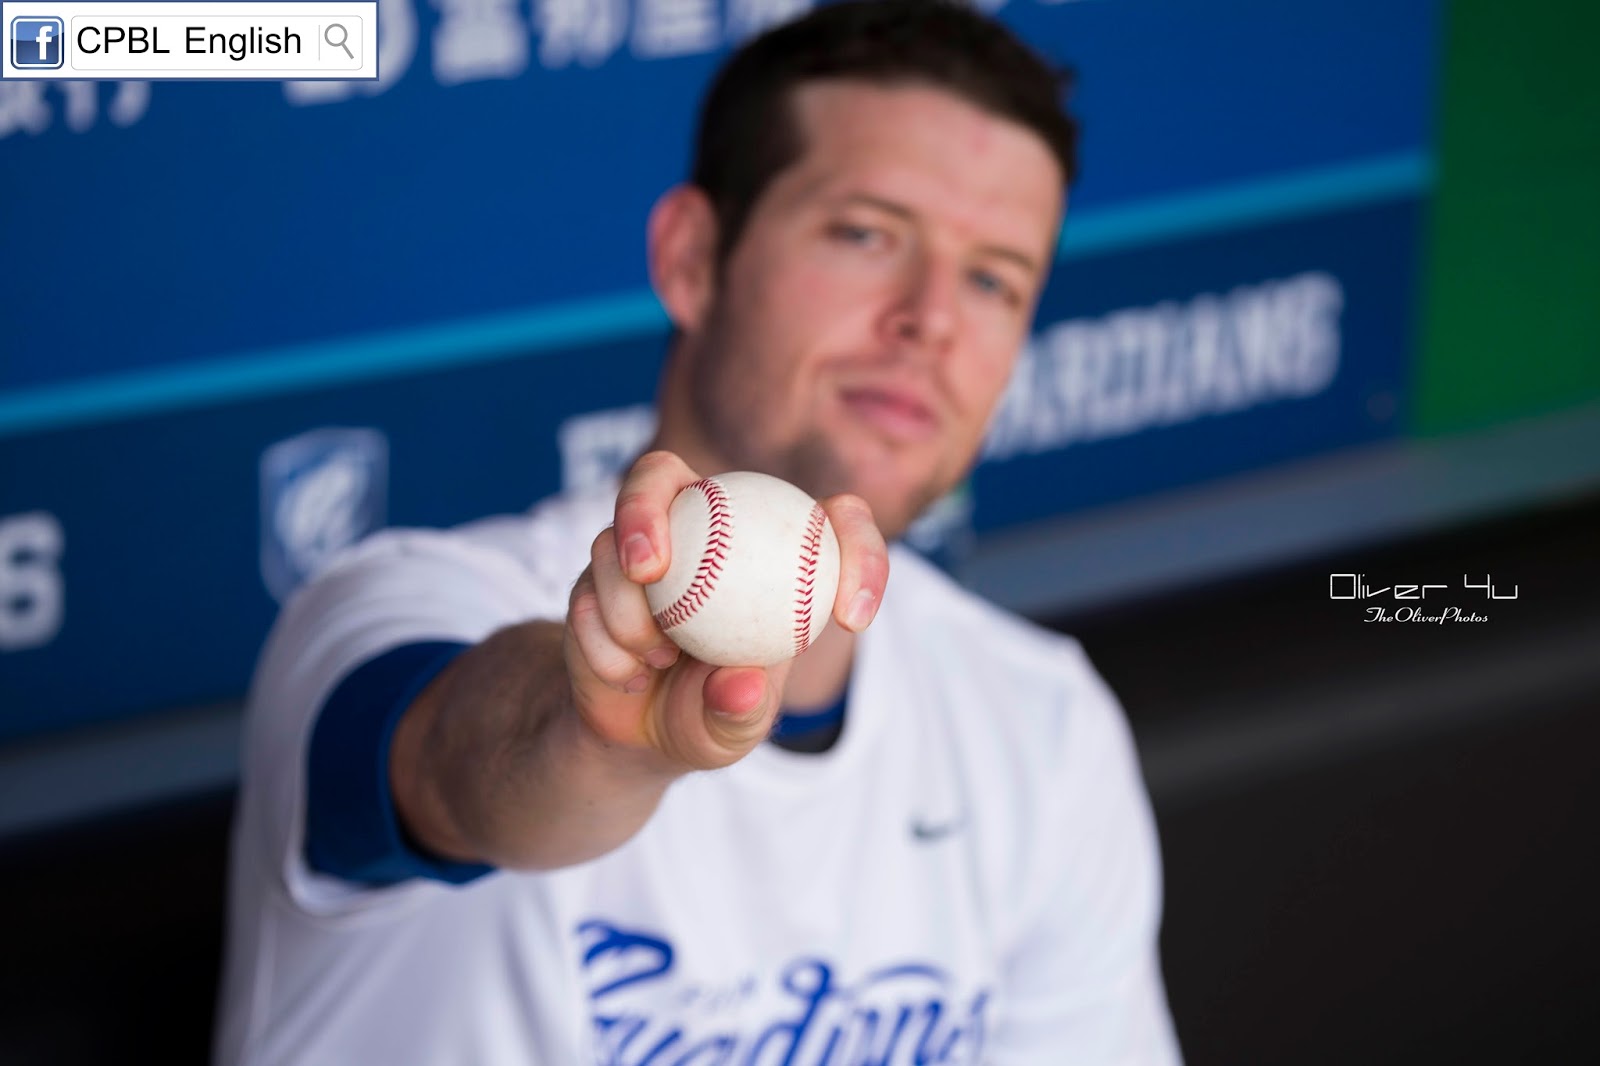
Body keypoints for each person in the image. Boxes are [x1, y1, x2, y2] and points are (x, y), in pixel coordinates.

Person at [215, 2, 1182, 1062]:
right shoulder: (399, 601)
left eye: (994, 279)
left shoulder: (1042, 727)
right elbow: (457, 768)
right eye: (867, 234)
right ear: (690, 258)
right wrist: (593, 737)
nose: (932, 318)